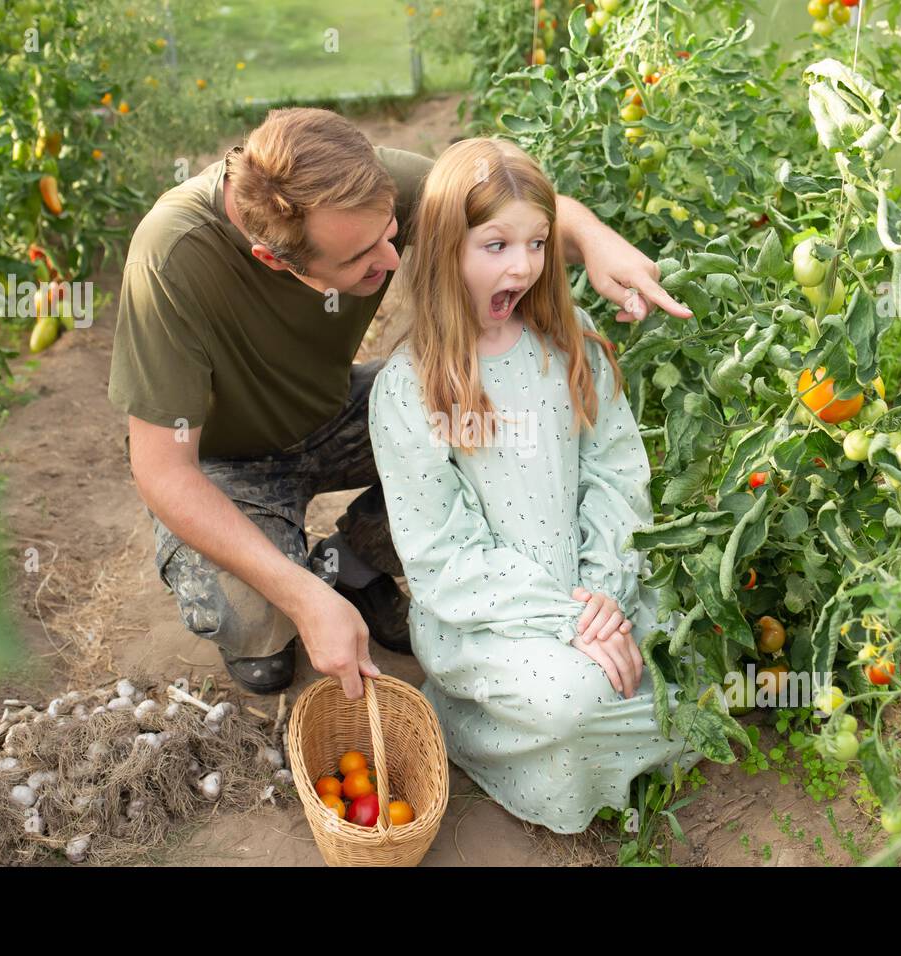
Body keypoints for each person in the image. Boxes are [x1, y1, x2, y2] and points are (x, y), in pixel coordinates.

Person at [108, 107, 692, 700]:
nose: (392, 261)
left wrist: (595, 240)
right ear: (275, 261)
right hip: (226, 460)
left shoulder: (359, 184)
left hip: (336, 414)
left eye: (391, 233)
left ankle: (352, 561)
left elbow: (506, 200)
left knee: (493, 426)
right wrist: (304, 597)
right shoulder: (171, 257)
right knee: (259, 632)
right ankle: (307, 579)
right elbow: (162, 469)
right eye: (361, 259)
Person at [367, 137, 702, 834]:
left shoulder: (570, 340)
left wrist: (604, 590)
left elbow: (616, 474)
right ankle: (467, 726)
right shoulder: (410, 387)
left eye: (539, 243)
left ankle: (599, 729)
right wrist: (565, 619)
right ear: (443, 248)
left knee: (685, 652)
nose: (522, 265)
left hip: (596, 592)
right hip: (491, 619)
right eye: (496, 245)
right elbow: (443, 558)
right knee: (574, 698)